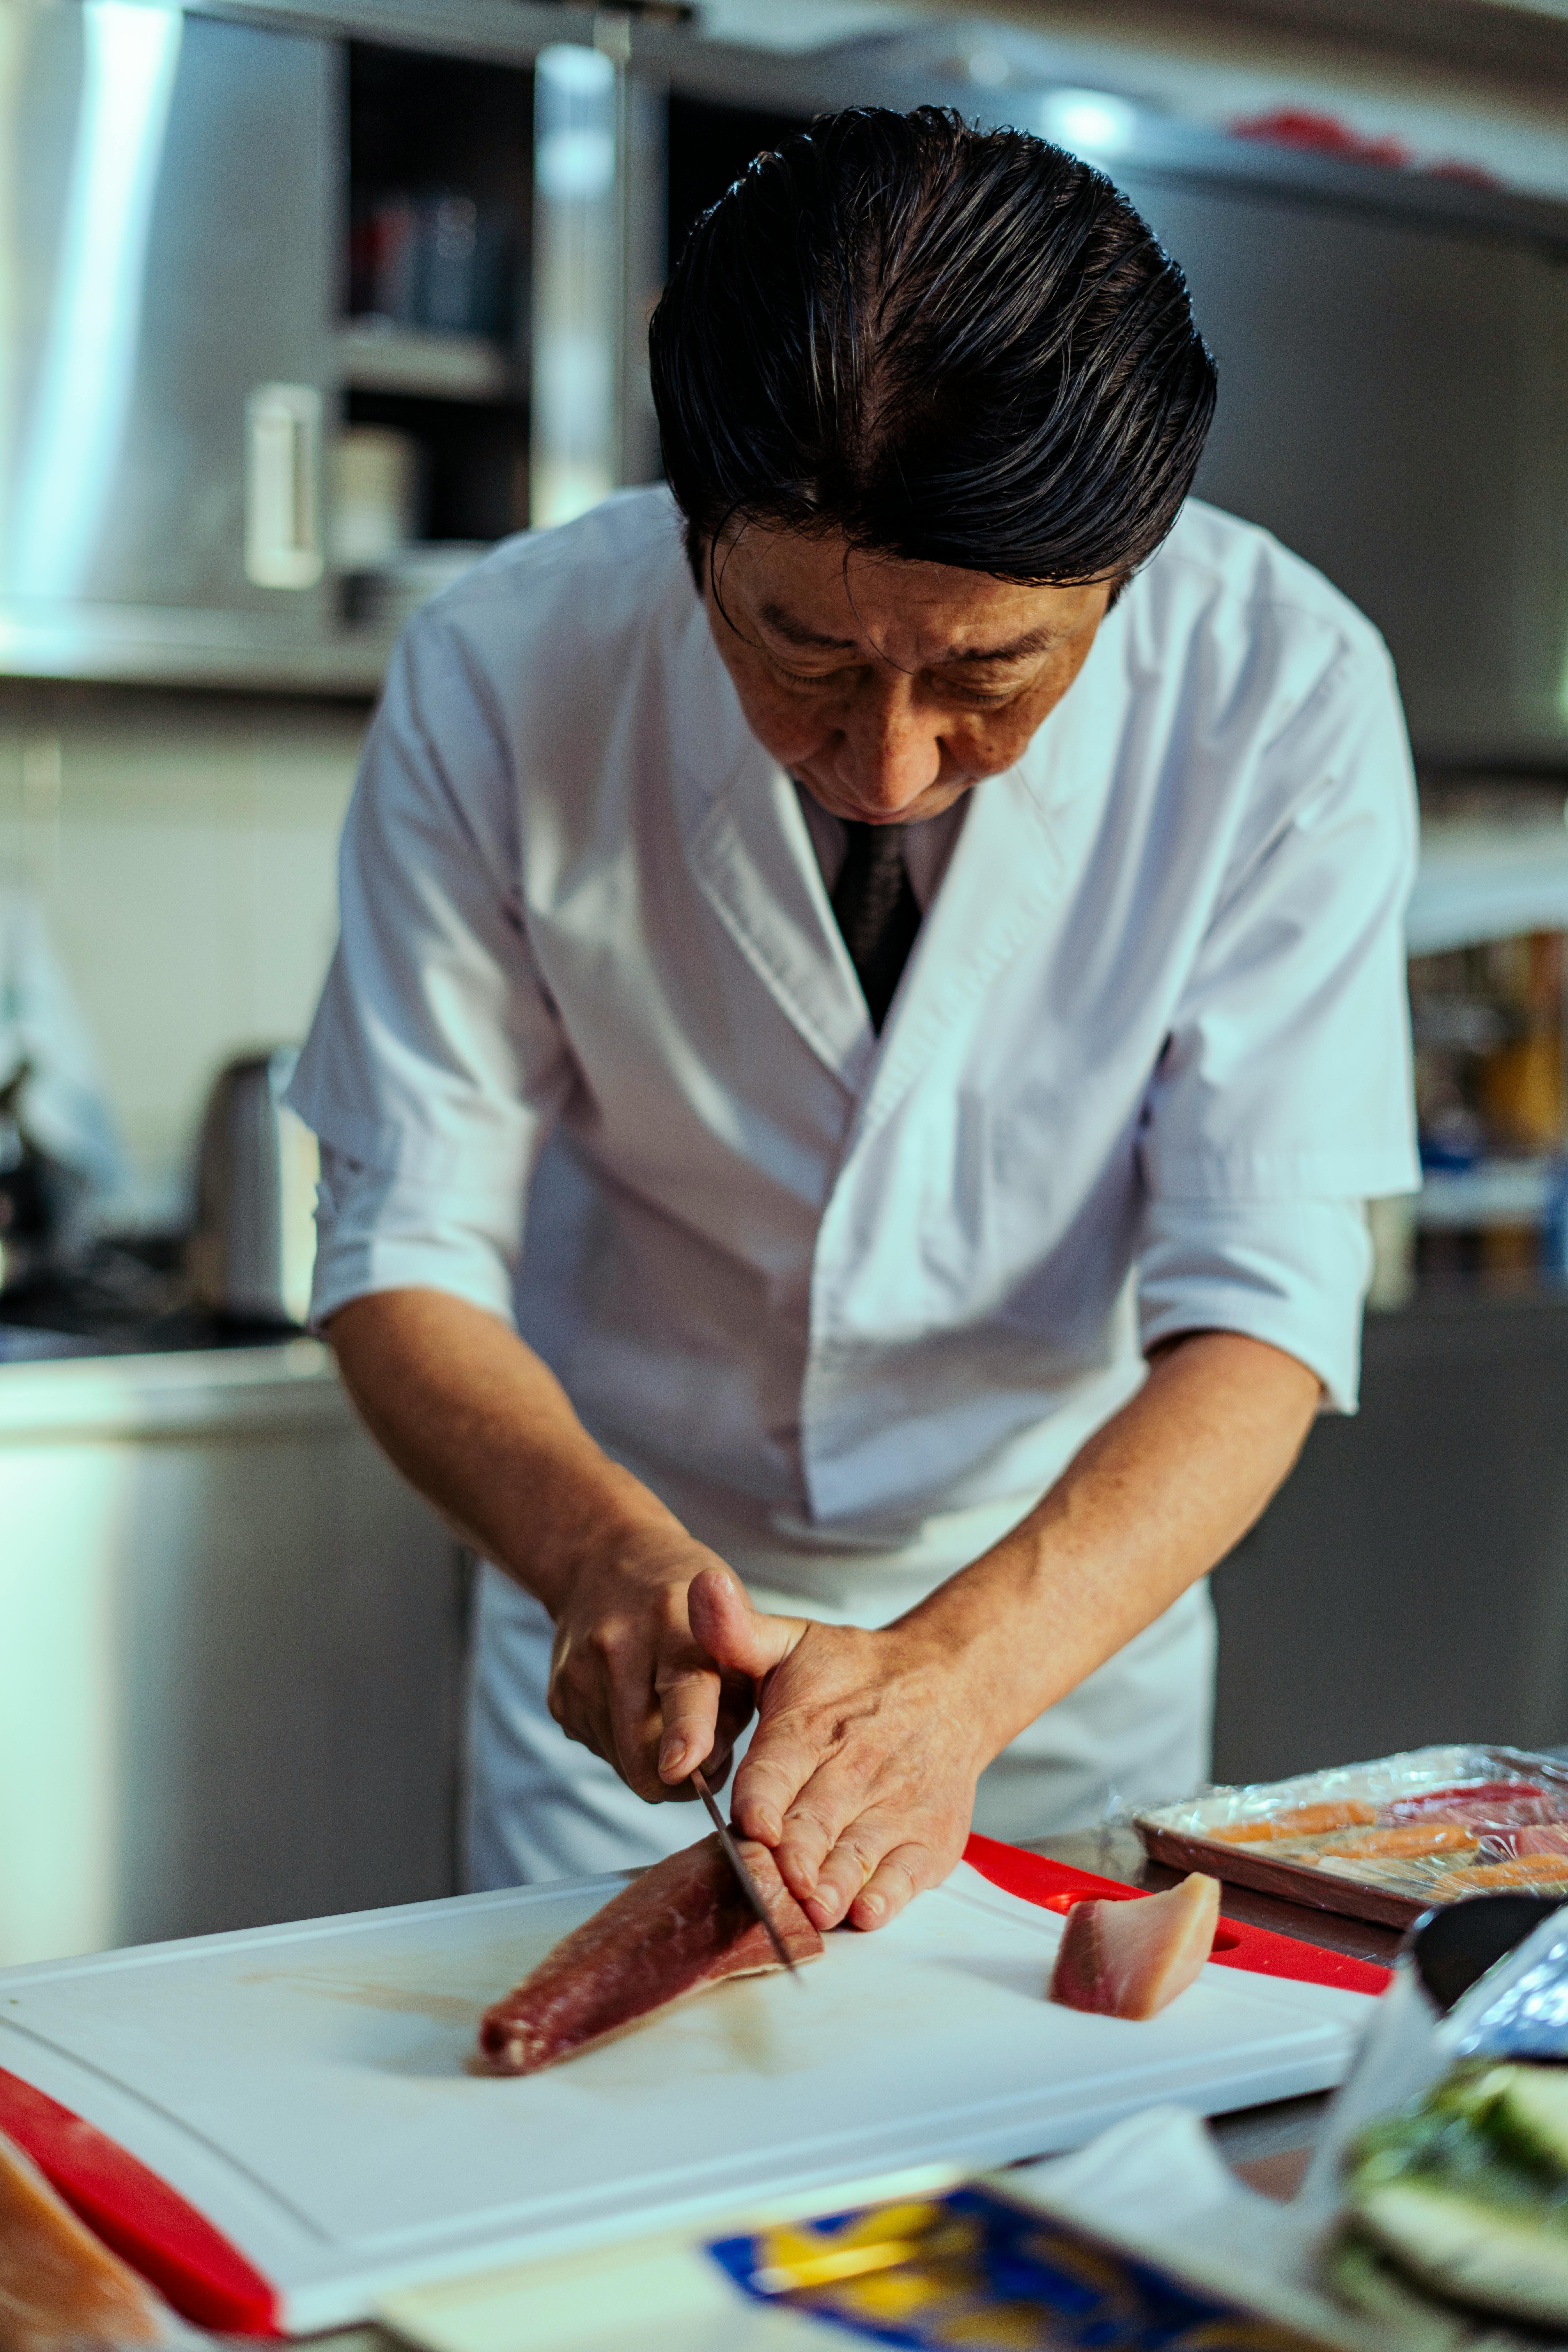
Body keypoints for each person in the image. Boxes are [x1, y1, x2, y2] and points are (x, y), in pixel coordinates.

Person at [288, 106, 1417, 1938]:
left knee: (1026, 2188)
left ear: (1126, 579)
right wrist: (600, 1553)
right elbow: (401, 1243)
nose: (886, 763)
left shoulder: (1279, 690)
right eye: (798, 651)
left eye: (988, 674)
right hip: (621, 1624)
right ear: (690, 529)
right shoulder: (503, 668)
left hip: (1049, 1631)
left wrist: (958, 1678)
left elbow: (1263, 1303)